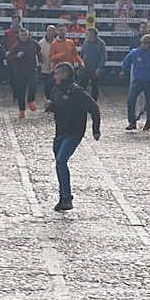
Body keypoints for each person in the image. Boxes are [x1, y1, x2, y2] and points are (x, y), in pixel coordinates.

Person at [46, 62, 101, 211]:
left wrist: (95, 130)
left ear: (65, 74)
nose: (54, 76)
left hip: (74, 132)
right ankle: (63, 195)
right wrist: (51, 107)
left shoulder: (77, 92)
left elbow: (94, 108)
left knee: (61, 160)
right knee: (59, 164)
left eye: (57, 73)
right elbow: (56, 105)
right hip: (60, 132)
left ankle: (66, 197)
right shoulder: (55, 90)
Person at [121, 34, 150, 130]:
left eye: (146, 43)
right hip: (138, 80)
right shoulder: (135, 53)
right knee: (131, 100)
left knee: (149, 102)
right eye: (142, 43)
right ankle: (132, 121)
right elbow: (126, 61)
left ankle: (149, 121)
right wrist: (123, 70)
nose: (144, 45)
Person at [6, 26, 41, 118]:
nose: (24, 36)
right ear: (19, 36)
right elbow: (9, 57)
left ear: (28, 35)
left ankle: (30, 100)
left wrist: (40, 61)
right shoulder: (16, 45)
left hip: (32, 70)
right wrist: (17, 56)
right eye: (22, 35)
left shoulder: (33, 43)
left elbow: (39, 51)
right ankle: (22, 111)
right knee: (21, 92)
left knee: (33, 86)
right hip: (20, 72)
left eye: (25, 35)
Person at [80, 26, 107, 100]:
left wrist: (99, 68)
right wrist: (81, 64)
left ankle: (93, 102)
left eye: (88, 34)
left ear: (93, 34)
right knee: (82, 86)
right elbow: (82, 54)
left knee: (95, 87)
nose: (87, 35)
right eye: (86, 34)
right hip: (86, 67)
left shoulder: (101, 43)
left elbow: (103, 57)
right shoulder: (85, 42)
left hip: (95, 68)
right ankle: (81, 101)